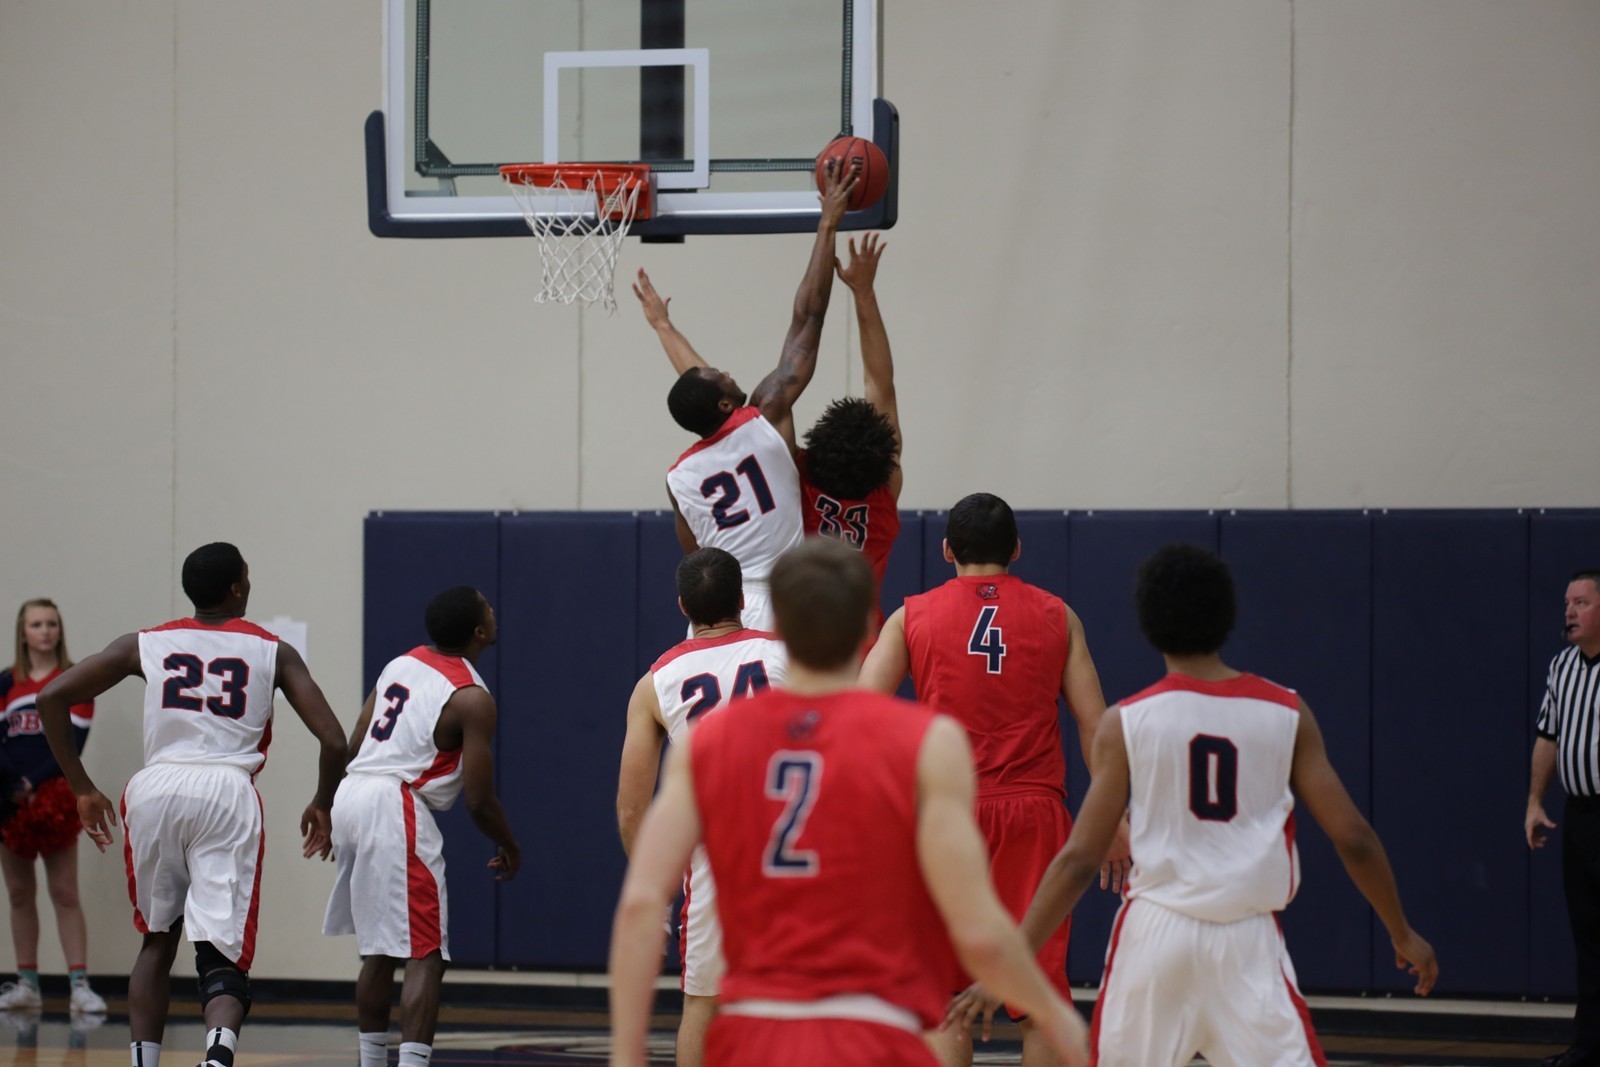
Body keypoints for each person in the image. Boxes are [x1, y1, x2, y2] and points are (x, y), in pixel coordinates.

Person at [948, 543, 1438, 1066]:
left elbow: (1078, 861)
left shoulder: (1127, 721)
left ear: (1149, 625)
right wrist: (1401, 931)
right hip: (1247, 940)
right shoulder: (1286, 712)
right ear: (1228, 617)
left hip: (1153, 939)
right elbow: (1355, 839)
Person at [610, 538, 1088, 1067]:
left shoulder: (707, 745)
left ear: (779, 619)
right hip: (864, 1015)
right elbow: (971, 903)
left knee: (704, 1008)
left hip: (759, 1008)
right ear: (867, 628)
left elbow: (641, 900)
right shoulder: (923, 740)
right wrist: (1043, 1002)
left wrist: (627, 1051)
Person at [36, 542, 347, 1067]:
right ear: (237, 588)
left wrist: (82, 788)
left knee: (157, 939)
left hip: (155, 788)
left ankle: (144, 1061)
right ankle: (218, 1056)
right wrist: (322, 801)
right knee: (221, 951)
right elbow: (335, 740)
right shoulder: (273, 650)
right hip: (226, 791)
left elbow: (51, 697)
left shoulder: (145, 642)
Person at [858, 491, 1127, 1067]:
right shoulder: (1058, 615)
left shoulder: (912, 615)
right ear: (1016, 549)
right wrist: (1115, 819)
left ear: (947, 549)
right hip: (1033, 815)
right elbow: (1095, 725)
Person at [635, 158, 859, 632]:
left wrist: (663, 327)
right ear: (724, 405)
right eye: (720, 375)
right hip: (786, 597)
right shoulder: (766, 414)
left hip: (724, 605)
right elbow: (808, 317)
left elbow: (697, 556)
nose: (726, 370)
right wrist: (827, 224)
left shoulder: (679, 477)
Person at [324, 586, 520, 1067]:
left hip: (353, 791)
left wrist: (330, 809)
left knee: (380, 949)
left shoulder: (401, 663)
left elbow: (355, 741)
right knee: (425, 952)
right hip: (394, 803)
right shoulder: (472, 698)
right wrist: (508, 843)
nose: (494, 610)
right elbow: (479, 799)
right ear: (479, 631)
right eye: (488, 607)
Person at [616, 547, 788, 1067]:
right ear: (742, 600)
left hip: (714, 850)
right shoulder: (789, 655)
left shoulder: (655, 683)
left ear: (682, 606)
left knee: (704, 1004)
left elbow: (631, 809)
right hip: (793, 840)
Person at [0, 600, 107, 1014]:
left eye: (51, 624)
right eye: (36, 624)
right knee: (19, 893)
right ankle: (27, 984)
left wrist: (33, 782)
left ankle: (79, 985)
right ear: (22, 632)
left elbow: (73, 742)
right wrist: (12, 785)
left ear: (59, 630)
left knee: (64, 893)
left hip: (54, 796)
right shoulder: (6, 682)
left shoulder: (75, 680)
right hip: (10, 801)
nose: (44, 631)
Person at [796, 233, 903, 636]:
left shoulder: (797, 477)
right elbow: (880, 383)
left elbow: (778, 399)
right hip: (864, 644)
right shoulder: (886, 489)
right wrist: (864, 293)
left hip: (799, 640)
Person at [1527, 569, 1600, 1067]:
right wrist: (1535, 801)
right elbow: (1548, 737)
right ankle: (1589, 1046)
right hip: (1580, 816)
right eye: (1567, 603)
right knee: (1588, 935)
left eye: (1581, 603)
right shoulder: (1563, 667)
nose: (1569, 612)